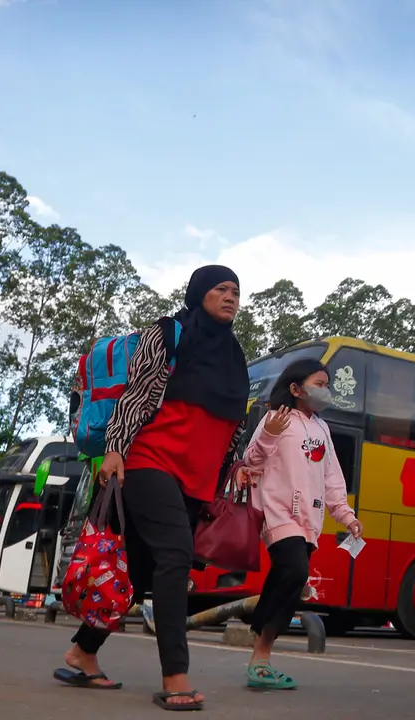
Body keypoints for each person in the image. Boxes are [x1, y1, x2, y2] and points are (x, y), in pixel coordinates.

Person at [56, 264, 250, 711]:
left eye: (236, 291)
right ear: (199, 292)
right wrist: (116, 449)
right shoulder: (169, 333)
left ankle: (83, 652)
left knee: (142, 571)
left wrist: (231, 473)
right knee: (176, 557)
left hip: (195, 480)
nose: (231, 297)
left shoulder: (234, 356)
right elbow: (138, 394)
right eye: (221, 289)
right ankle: (175, 678)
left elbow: (231, 427)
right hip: (149, 461)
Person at [234, 358, 363, 689]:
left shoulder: (322, 428)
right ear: (295, 388)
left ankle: (261, 647)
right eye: (320, 384)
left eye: (326, 384)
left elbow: (332, 477)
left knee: (291, 579)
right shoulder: (274, 419)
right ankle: (260, 650)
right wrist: (267, 437)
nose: (326, 391)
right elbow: (251, 464)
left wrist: (346, 515)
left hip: (310, 518)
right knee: (294, 570)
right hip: (277, 511)